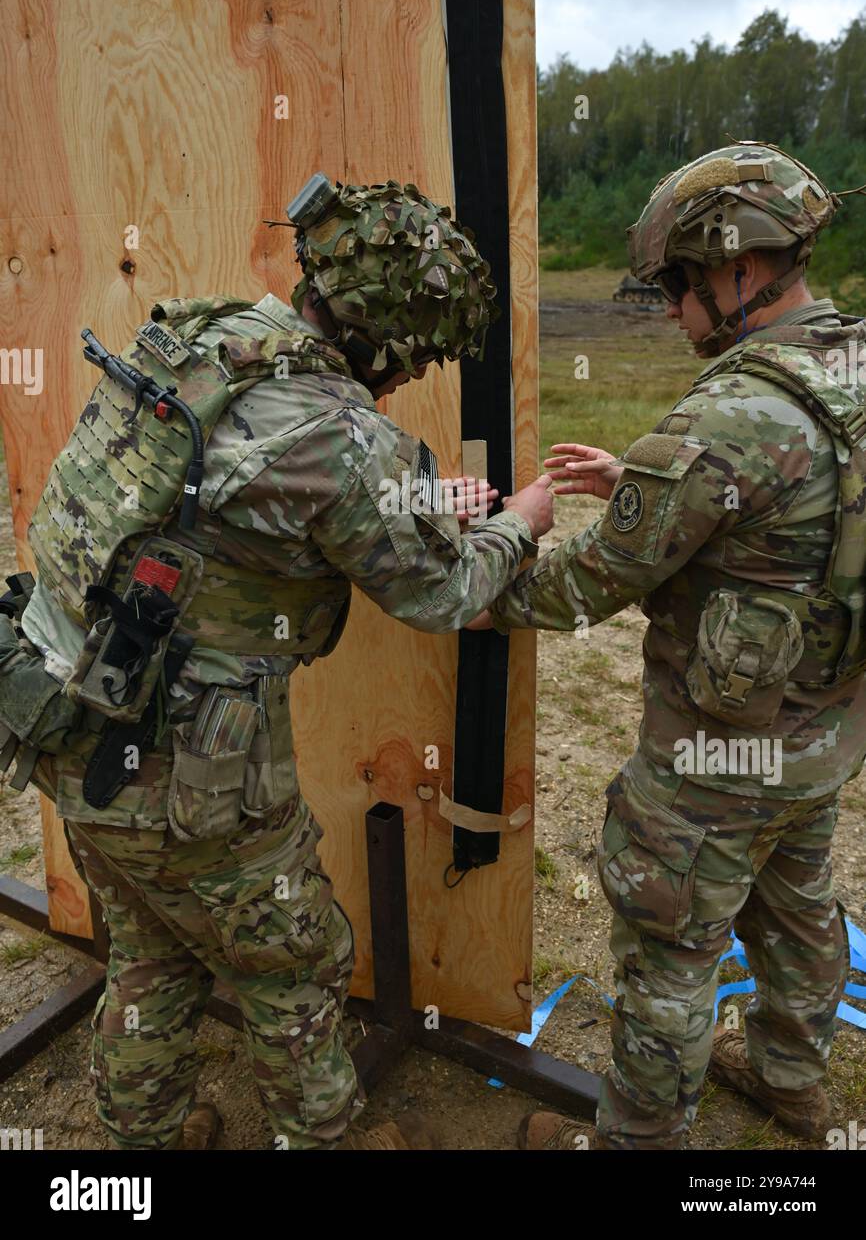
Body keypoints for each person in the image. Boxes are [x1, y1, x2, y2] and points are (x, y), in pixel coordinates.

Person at [0, 176, 553, 1150]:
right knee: (292, 960)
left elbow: (229, 511)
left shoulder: (206, 337)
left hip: (59, 708)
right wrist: (516, 523)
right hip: (190, 776)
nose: (405, 375)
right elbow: (445, 593)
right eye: (415, 354)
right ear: (390, 337)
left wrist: (420, 502)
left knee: (149, 945)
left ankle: (146, 1145)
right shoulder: (343, 434)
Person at [470, 142, 866, 1150]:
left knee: (669, 953)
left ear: (737, 271)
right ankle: (788, 1077)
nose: (669, 312)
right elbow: (796, 517)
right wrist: (644, 484)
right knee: (798, 911)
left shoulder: (724, 419)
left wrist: (497, 557)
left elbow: (584, 585)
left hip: (715, 762)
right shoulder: (848, 364)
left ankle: (634, 1143)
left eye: (677, 288)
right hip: (822, 736)